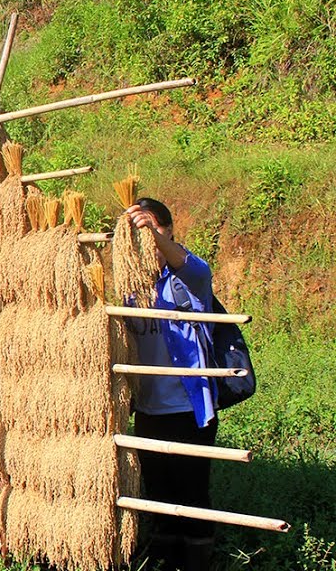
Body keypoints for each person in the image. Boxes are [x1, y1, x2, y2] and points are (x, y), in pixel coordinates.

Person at [124, 198, 218, 571]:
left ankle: (197, 562)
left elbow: (188, 263)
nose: (146, 241)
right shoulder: (132, 288)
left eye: (154, 230)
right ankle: (165, 560)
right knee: (159, 495)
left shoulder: (189, 279)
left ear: (169, 231)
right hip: (149, 409)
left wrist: (152, 233)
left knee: (191, 495)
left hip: (187, 409)